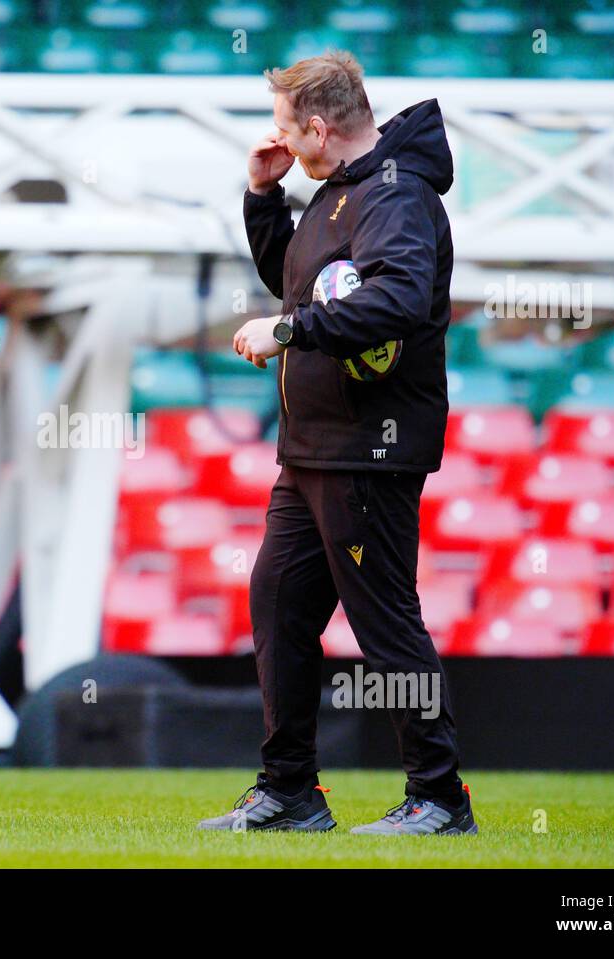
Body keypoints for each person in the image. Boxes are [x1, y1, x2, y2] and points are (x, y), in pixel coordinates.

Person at [199, 51, 475, 835]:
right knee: (279, 604)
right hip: (315, 447)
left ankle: (440, 797)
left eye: (287, 128)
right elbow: (294, 279)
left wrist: (289, 329)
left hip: (370, 447)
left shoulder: (397, 197)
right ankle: (289, 789)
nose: (280, 140)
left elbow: (396, 298)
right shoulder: (335, 194)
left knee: (385, 622)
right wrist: (262, 194)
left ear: (319, 128)